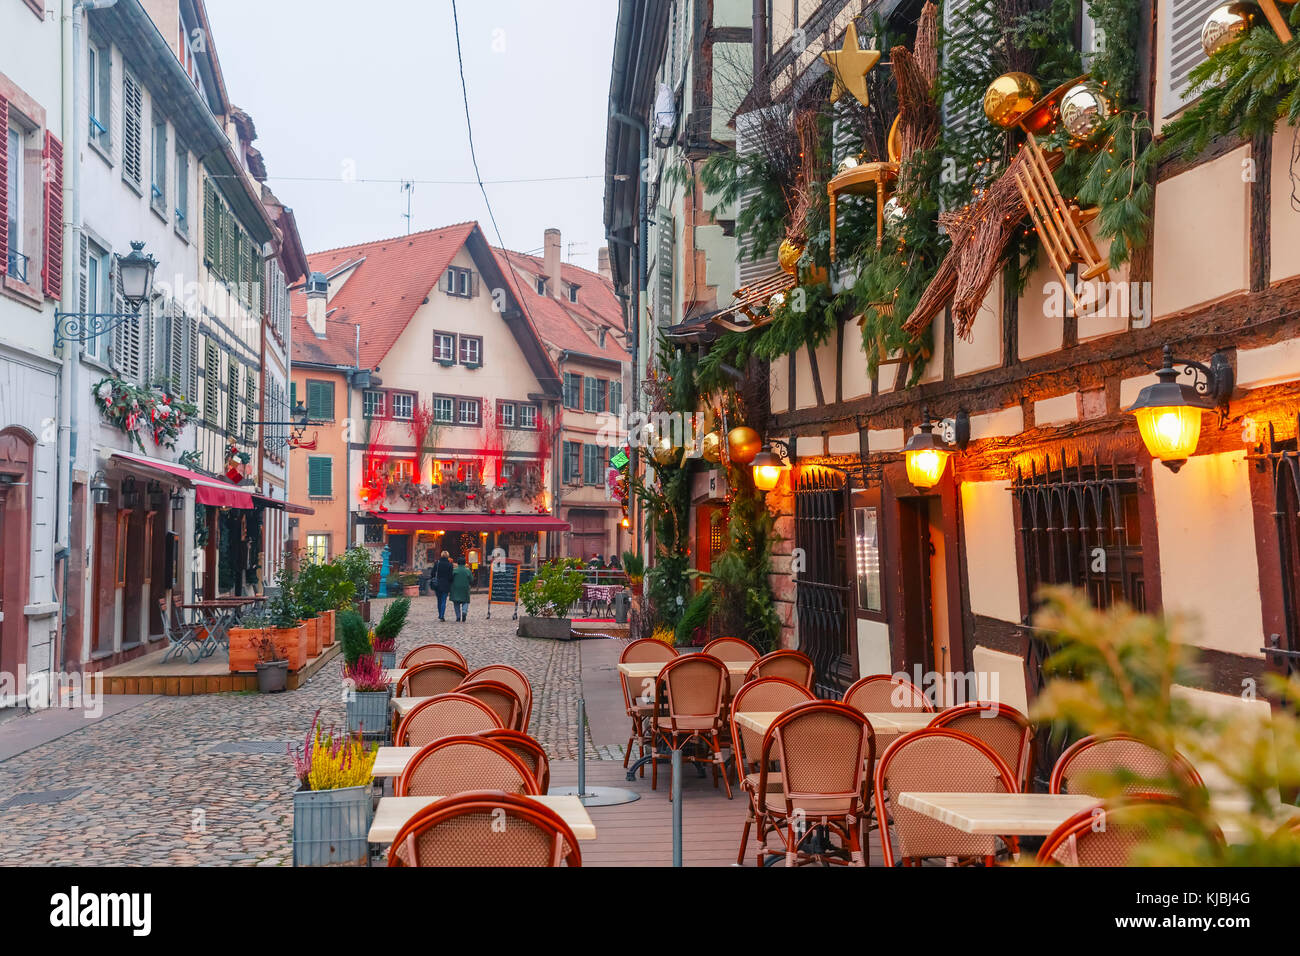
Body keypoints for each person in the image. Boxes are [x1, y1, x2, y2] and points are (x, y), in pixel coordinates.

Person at [449, 555, 473, 622]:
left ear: (458, 563)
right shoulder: (467, 571)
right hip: (465, 588)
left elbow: (450, 579)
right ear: (465, 563)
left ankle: (458, 617)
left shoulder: (454, 570)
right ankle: (464, 611)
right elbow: (471, 580)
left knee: (456, 603)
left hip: (455, 588)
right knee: (465, 601)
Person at [432, 550, 454, 622]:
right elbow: (451, 576)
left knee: (439, 600)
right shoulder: (450, 565)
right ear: (448, 556)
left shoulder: (437, 563)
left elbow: (432, 573)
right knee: (443, 600)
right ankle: (442, 616)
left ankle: (440, 614)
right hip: (446, 584)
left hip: (437, 584)